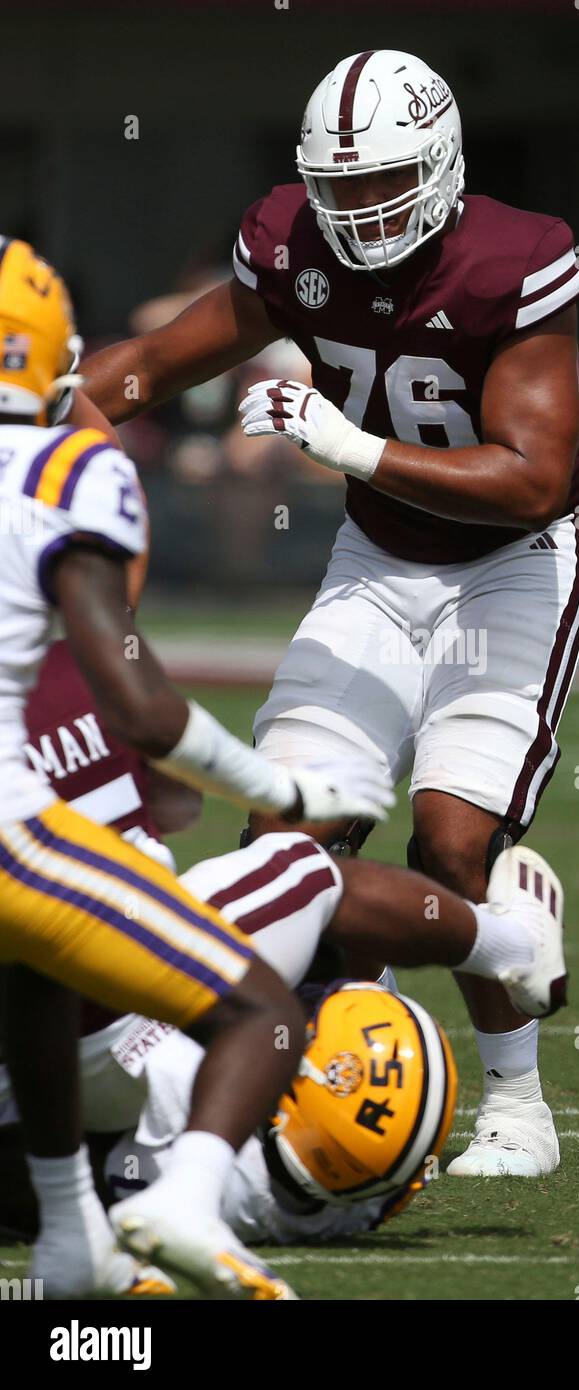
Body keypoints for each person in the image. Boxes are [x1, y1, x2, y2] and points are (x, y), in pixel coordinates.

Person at [82, 48, 579, 1176]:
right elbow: (160, 363)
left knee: (455, 842)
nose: (360, 213)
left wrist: (351, 444)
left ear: (444, 168)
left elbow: (535, 476)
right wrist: (43, 415)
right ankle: (311, 1063)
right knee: (287, 840)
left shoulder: (517, 259)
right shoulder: (289, 241)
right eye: (341, 188)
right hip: (380, 552)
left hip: (516, 559)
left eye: (384, 185)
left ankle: (519, 1109)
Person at [0, 235, 393, 1298]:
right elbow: (141, 709)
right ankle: (182, 1201)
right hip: (10, 842)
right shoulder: (66, 468)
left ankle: (73, 1235)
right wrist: (281, 791)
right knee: (259, 1013)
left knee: (37, 975)